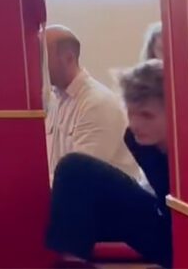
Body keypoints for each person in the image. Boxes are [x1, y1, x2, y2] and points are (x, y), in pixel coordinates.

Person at [46, 60, 172, 267]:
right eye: (131, 114)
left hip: (187, 237)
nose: (135, 124)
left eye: (147, 115)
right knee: (74, 170)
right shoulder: (137, 139)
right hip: (164, 223)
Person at [43, 25, 139, 179]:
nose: (34, 63)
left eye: (41, 56)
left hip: (103, 201)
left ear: (69, 58)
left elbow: (79, 177)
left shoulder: (97, 104)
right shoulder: (54, 99)